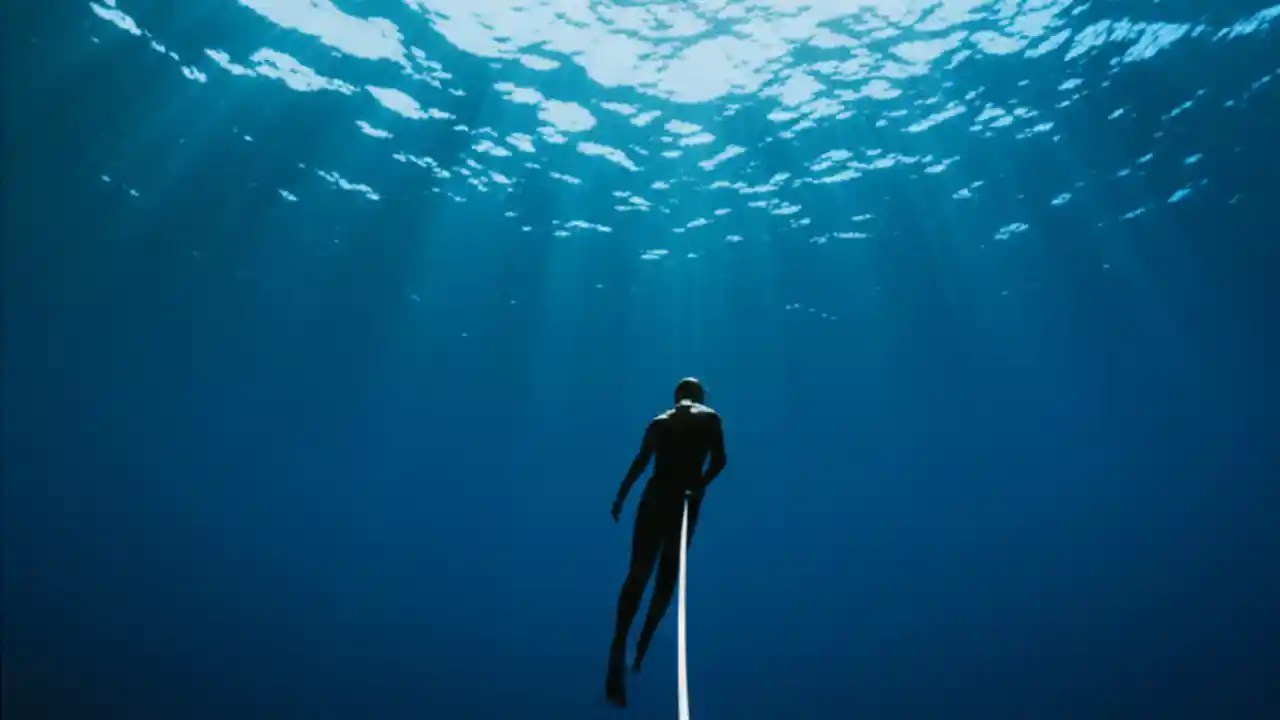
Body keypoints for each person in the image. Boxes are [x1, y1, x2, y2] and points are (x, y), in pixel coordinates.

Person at [605, 377, 728, 708]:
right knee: (667, 577)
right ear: (699, 395)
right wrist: (700, 483)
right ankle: (641, 646)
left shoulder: (659, 421)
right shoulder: (709, 417)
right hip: (684, 500)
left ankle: (619, 640)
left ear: (676, 397)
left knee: (638, 572)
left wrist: (620, 496)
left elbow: (640, 463)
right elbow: (719, 461)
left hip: (655, 497)